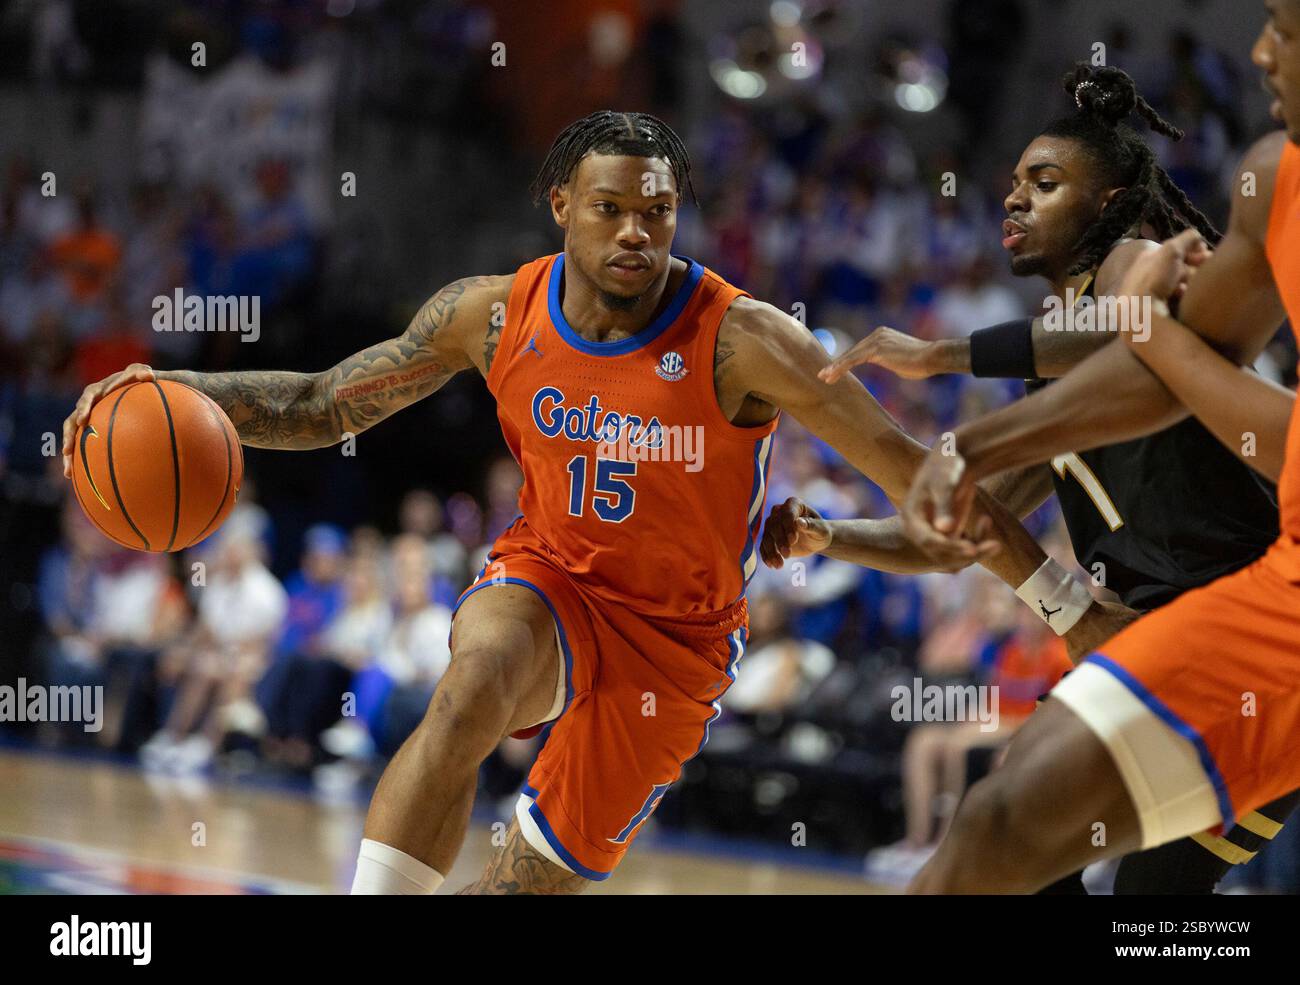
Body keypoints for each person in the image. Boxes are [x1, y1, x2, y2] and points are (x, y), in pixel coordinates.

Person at [62, 111, 1125, 894]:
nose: (634, 232)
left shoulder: (746, 338)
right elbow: (316, 402)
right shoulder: (489, 315)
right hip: (551, 580)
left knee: (519, 887)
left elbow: (922, 477)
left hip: (678, 644)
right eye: (610, 208)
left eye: (655, 211)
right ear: (561, 204)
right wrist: (168, 390)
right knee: (473, 681)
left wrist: (1066, 606)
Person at [768, 63, 1294, 893]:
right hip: (1155, 648)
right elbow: (951, 540)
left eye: (1044, 184)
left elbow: (1133, 335)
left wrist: (942, 351)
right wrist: (828, 535)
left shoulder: (1136, 262)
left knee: (1097, 881)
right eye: (1013, 184)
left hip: (1245, 646)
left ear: (1114, 198)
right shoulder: (1055, 373)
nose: (1014, 200)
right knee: (1034, 856)